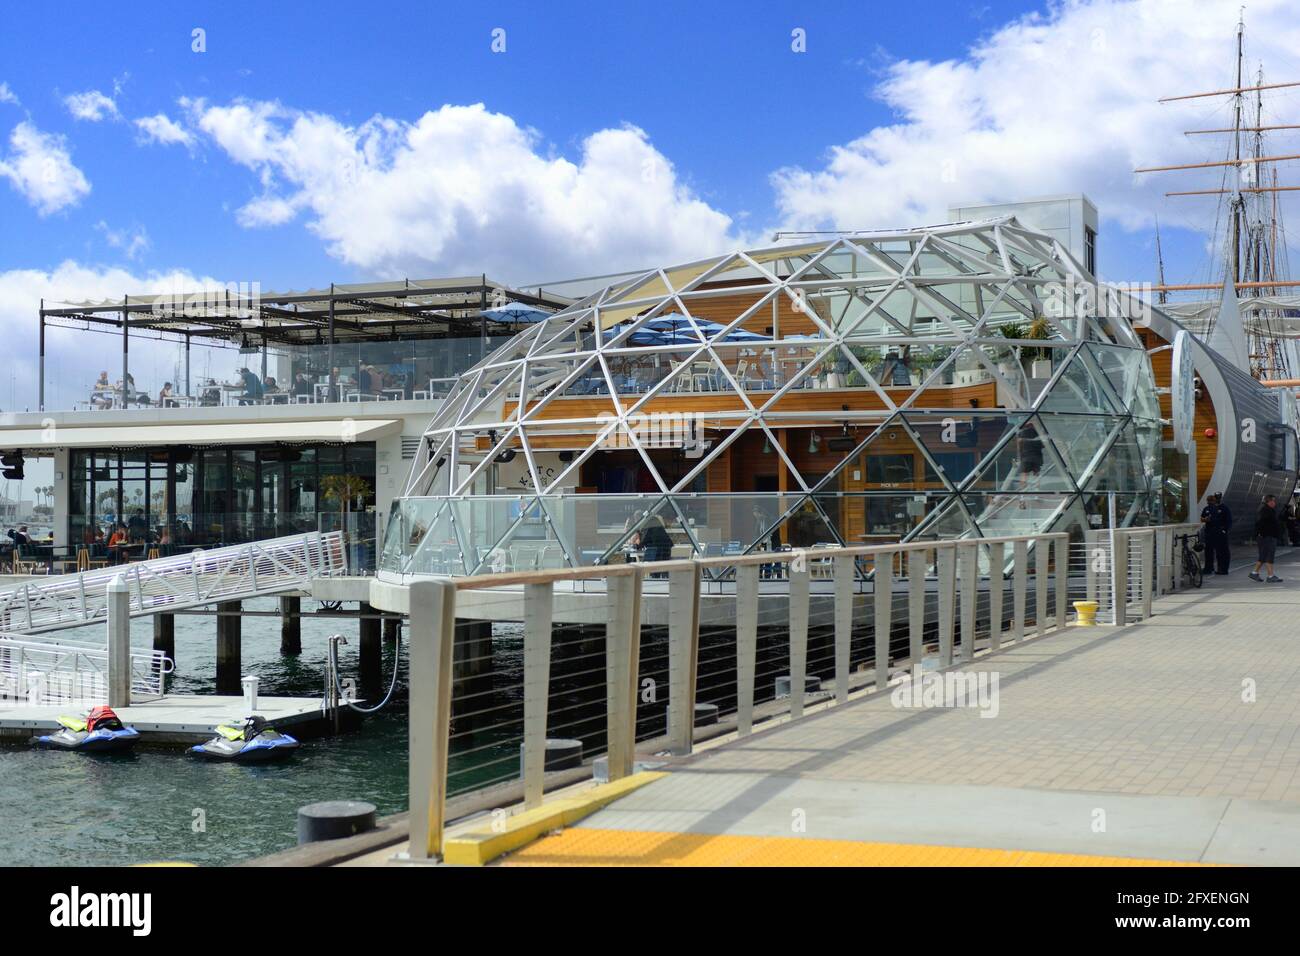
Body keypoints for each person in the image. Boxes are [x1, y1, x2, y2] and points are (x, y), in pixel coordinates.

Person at [1249, 494, 1283, 583]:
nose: (1275, 503)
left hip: (1268, 536)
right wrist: (1261, 534)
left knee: (1264, 556)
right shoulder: (1265, 510)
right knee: (1268, 555)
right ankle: (1270, 576)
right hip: (1267, 536)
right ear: (1269, 501)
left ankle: (1255, 573)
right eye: (1273, 501)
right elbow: (1260, 523)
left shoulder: (1267, 509)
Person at [1200, 492, 1233, 575]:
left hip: (1220, 532)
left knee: (1222, 552)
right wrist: (1206, 519)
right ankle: (1209, 568)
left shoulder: (1224, 508)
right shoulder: (1208, 508)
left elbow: (1228, 520)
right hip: (1210, 532)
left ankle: (1223, 569)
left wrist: (1225, 530)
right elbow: (1203, 518)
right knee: (1209, 551)